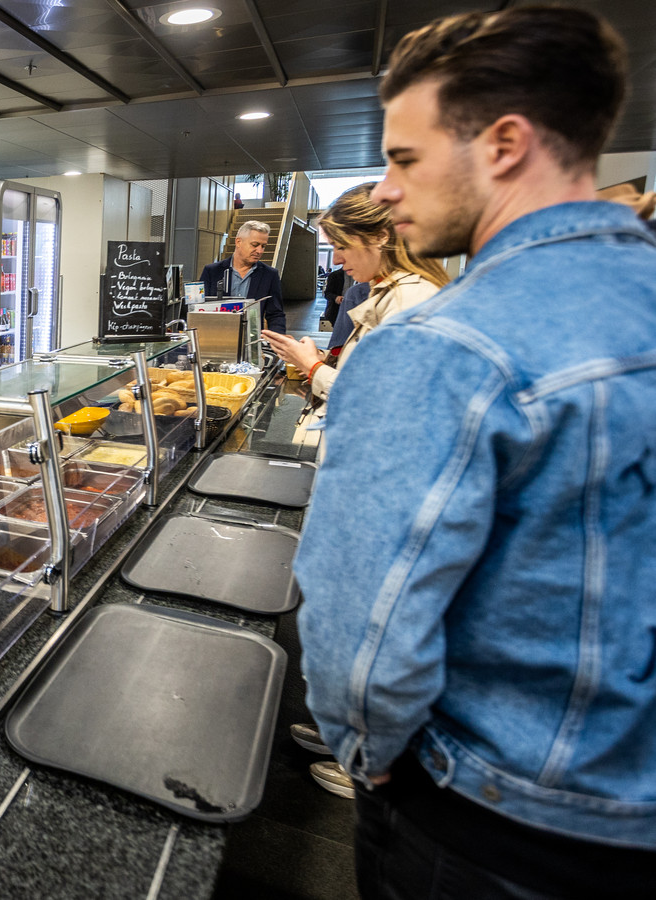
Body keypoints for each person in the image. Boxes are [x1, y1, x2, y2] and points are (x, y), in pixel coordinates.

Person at [293, 7, 656, 898]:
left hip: (496, 819)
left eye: (404, 158)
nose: (381, 190)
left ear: (504, 143)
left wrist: (369, 755)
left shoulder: (441, 346)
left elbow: (364, 635)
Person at [263, 182, 448, 411]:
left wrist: (312, 366)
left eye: (341, 246)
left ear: (380, 237)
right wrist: (319, 358)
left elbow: (380, 401)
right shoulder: (387, 292)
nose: (336, 261)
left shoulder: (412, 301)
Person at [199, 220, 286, 333]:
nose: (259, 251)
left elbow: (276, 314)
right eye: (254, 245)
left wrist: (277, 341)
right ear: (238, 242)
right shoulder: (212, 271)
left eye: (263, 246)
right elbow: (198, 309)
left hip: (251, 340)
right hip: (216, 337)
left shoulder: (270, 275)